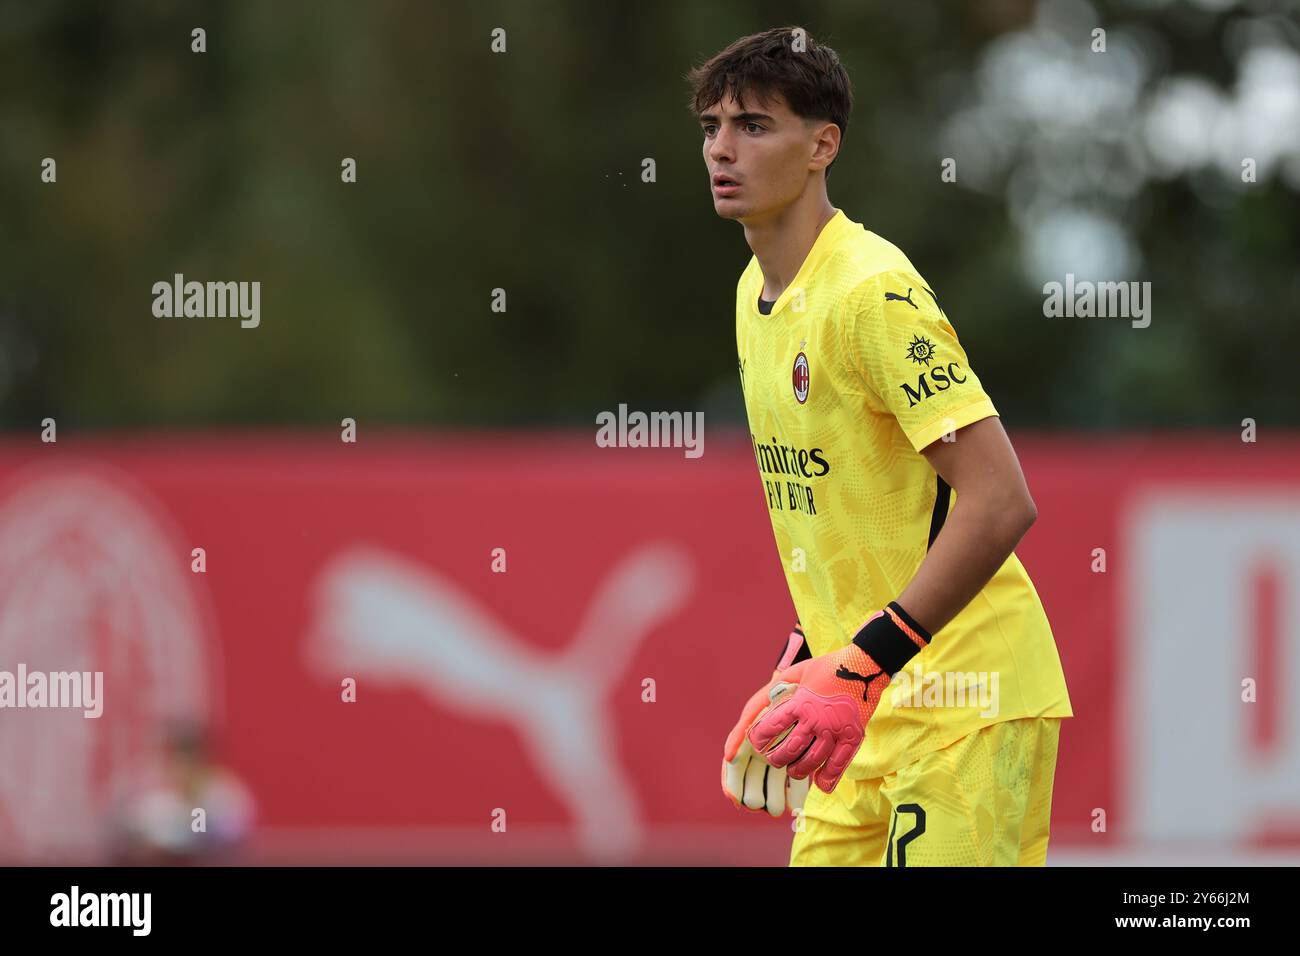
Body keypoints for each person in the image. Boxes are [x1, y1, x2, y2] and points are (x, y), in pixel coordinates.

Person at [690, 26, 1073, 866]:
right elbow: (856, 513)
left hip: (967, 703)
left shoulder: (871, 292)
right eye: (712, 126)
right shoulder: (757, 290)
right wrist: (806, 659)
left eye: (754, 126)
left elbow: (1002, 500)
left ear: (823, 144)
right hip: (857, 711)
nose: (722, 147)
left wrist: (861, 665)